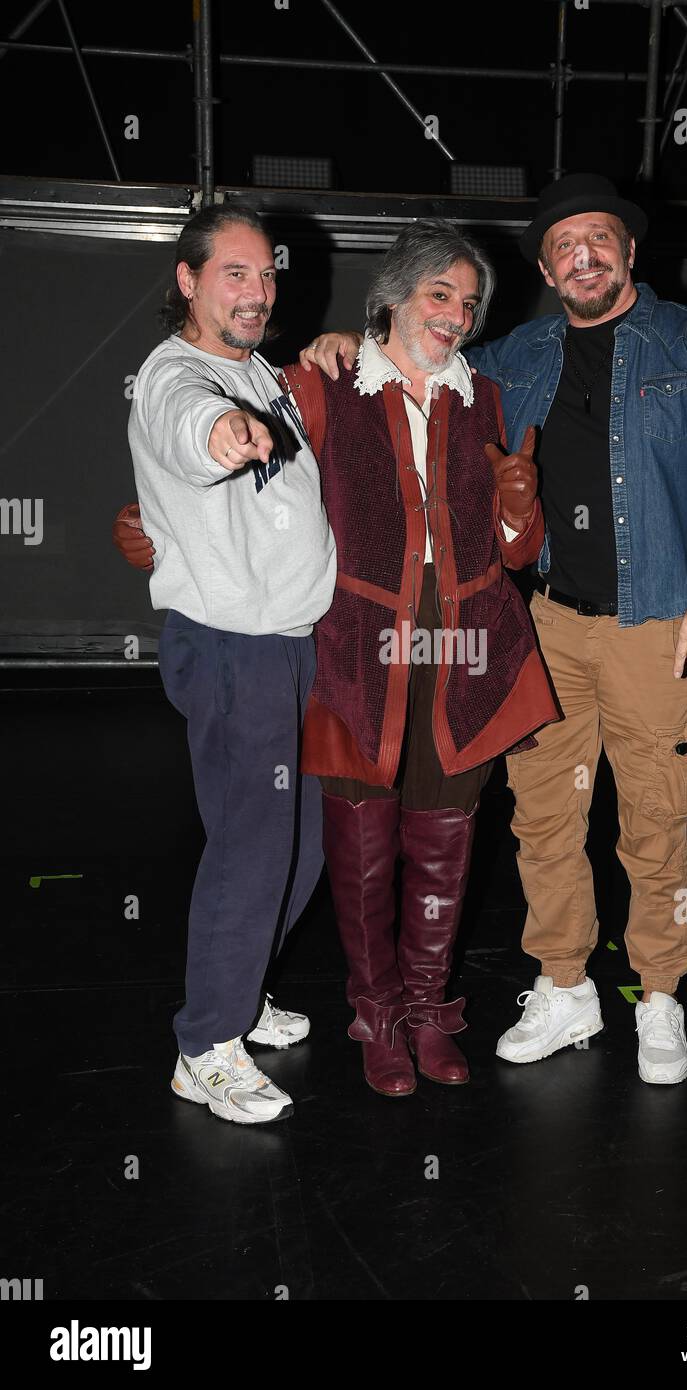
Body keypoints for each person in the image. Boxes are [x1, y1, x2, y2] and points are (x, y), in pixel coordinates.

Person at [299, 172, 687, 1085]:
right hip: (547, 626)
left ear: (631, 252)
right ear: (546, 268)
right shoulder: (514, 360)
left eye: (600, 238)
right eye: (565, 245)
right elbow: (415, 367)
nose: (585, 255)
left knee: (657, 816)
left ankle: (659, 995)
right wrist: (348, 337)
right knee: (544, 817)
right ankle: (565, 986)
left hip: (662, 626)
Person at [118, 218, 560, 1101]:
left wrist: (520, 511)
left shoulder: (485, 397)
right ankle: (356, 1014)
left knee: (402, 840)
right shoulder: (321, 384)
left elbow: (516, 550)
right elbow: (186, 423)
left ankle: (421, 1004)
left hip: (457, 650)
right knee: (325, 840)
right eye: (440, 294)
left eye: (469, 304)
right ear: (394, 295)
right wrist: (181, 488)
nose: (456, 315)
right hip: (349, 646)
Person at [121, 204, 336, 1124]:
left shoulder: (266, 374)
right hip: (233, 647)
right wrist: (221, 436)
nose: (255, 291)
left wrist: (324, 355)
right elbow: (185, 421)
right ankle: (205, 1043)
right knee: (253, 848)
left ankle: (238, 993)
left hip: (294, 643)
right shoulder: (179, 374)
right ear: (188, 280)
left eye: (265, 274)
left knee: (306, 847)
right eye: (233, 274)